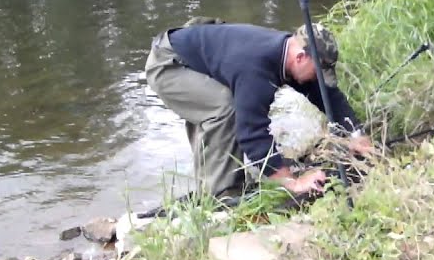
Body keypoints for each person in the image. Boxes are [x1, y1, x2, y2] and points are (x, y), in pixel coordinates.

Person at [144, 20, 373, 201]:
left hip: (200, 52)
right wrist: (292, 182)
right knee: (224, 108)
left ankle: (211, 187)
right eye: (317, 72)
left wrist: (356, 134)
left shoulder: (289, 54)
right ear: (301, 57)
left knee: (223, 109)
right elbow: (252, 134)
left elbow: (325, 95)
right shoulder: (256, 70)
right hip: (169, 63)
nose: (317, 79)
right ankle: (222, 198)